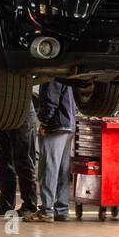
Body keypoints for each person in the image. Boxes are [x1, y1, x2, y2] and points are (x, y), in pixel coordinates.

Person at [28, 79, 76, 222]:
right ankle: (62, 210)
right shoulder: (70, 74)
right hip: (69, 123)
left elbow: (50, 100)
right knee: (62, 170)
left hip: (56, 125)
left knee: (49, 168)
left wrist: (44, 121)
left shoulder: (51, 75)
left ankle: (46, 210)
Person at [0, 98, 39, 218]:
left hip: (23, 115)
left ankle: (30, 206)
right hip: (4, 117)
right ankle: (5, 204)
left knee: (24, 160)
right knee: (4, 162)